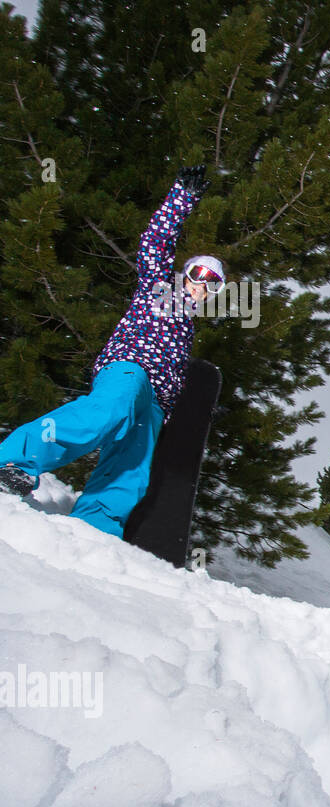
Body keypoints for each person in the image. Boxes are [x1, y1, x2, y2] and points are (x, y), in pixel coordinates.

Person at [0, 165, 223, 538]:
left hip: (156, 401)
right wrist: (183, 197)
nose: (203, 284)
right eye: (198, 274)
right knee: (104, 413)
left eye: (212, 283)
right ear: (184, 275)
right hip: (130, 370)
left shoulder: (189, 325)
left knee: (132, 468)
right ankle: (15, 461)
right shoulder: (158, 289)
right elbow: (155, 242)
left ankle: (95, 528)